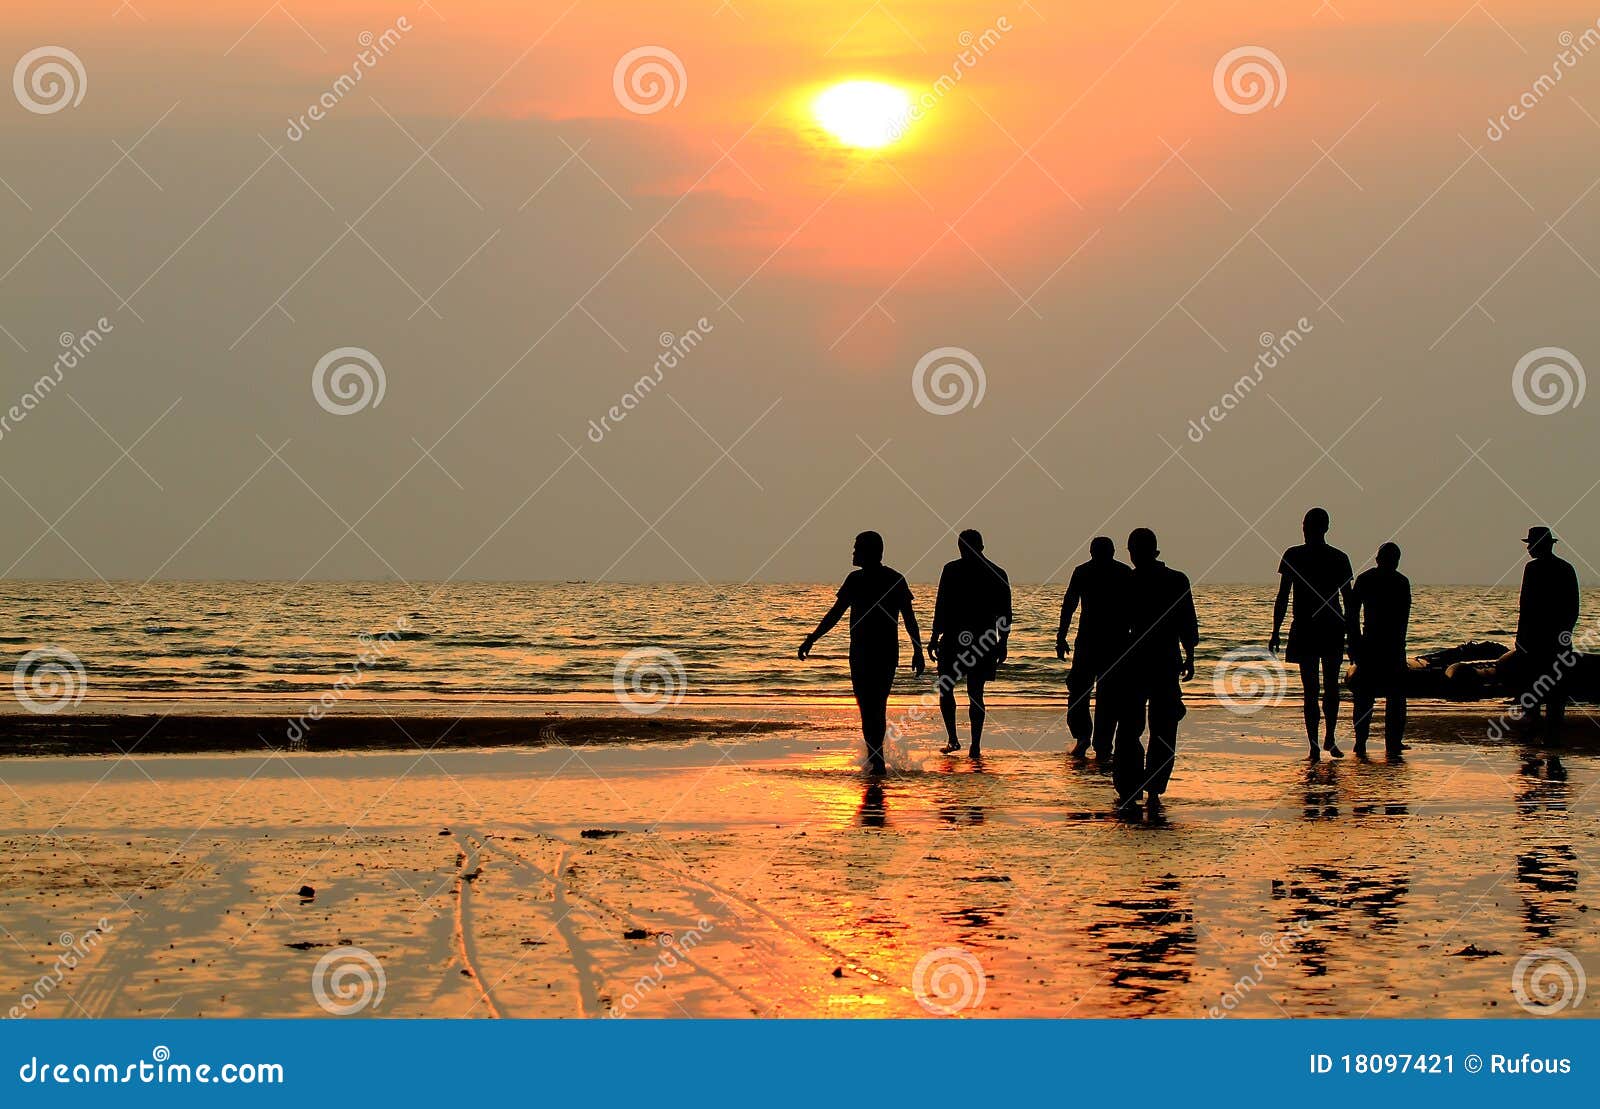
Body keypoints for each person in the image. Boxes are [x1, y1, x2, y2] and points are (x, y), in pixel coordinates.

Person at [799, 531, 925, 774]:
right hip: (867, 652)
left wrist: (918, 651)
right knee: (871, 707)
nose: (853, 552)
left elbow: (909, 618)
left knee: (872, 707)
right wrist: (812, 638)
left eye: (857, 548)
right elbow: (835, 614)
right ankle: (875, 757)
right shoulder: (863, 579)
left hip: (876, 652)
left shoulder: (889, 579)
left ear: (870, 551)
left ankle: (876, 760)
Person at [1111, 528, 1197, 812]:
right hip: (1164, 659)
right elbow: (1187, 623)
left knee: (1130, 727)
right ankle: (1154, 788)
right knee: (1162, 728)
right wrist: (1190, 655)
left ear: (1132, 552)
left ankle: (1130, 785)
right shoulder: (1176, 579)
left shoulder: (1127, 582)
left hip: (1135, 662)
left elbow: (1117, 627)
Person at [1270, 507, 1355, 761]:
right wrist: (1275, 631)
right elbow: (1283, 596)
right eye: (1305, 525)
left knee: (1323, 687)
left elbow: (1348, 599)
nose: (1306, 530)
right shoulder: (1306, 555)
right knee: (1318, 688)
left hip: (1322, 627)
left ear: (1321, 528)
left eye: (1308, 526)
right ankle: (1317, 743)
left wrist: (1353, 635)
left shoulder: (1325, 557)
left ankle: (1324, 740)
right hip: (1314, 627)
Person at [929, 529, 1012, 758]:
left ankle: (955, 739)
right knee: (975, 692)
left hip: (956, 638)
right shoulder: (997, 572)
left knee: (949, 689)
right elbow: (1005, 614)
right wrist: (1002, 641)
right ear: (981, 546)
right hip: (983, 640)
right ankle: (973, 745)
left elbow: (941, 605)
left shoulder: (951, 570)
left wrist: (935, 636)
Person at [1057, 536, 1133, 760]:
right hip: (1114, 642)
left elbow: (1069, 604)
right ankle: (1101, 744)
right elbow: (1135, 610)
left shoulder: (1084, 571)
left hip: (1091, 641)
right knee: (1105, 695)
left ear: (1091, 552)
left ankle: (1086, 737)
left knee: (1080, 690)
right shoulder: (1123, 572)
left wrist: (1061, 636)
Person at [1514, 526, 1580, 746]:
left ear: (1538, 545)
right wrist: (1565, 634)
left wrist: (1521, 637)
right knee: (1556, 689)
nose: (1528, 549)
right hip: (1558, 639)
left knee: (1531, 685)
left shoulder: (1532, 569)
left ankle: (1533, 733)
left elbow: (1526, 607)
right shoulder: (1566, 568)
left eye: (1530, 545)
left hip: (1535, 639)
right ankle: (1553, 734)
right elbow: (1573, 608)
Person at [1350, 542, 1411, 759]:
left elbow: (1352, 614)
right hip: (1386, 645)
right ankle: (1389, 742)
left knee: (1367, 697)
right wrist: (1355, 641)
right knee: (1392, 697)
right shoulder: (1400, 582)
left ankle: (1363, 742)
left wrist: (1354, 641)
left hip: (1374, 644)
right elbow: (1403, 619)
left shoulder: (1367, 579)